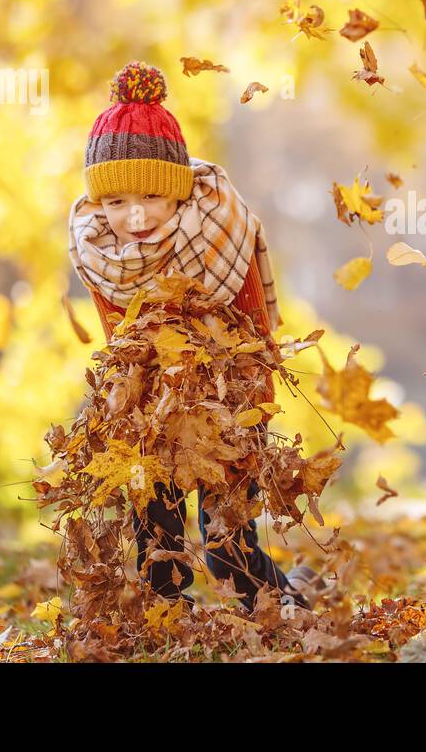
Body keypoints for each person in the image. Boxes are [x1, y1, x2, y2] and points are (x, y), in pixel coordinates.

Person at [67, 60, 324, 610]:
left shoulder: (222, 230)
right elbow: (120, 342)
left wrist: (251, 408)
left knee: (225, 550)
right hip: (149, 411)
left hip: (224, 404)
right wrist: (124, 415)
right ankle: (170, 626)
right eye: (116, 203)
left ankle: (288, 604)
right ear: (98, 203)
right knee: (156, 545)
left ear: (178, 194)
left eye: (152, 200)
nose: (135, 217)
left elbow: (255, 326)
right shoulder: (100, 255)